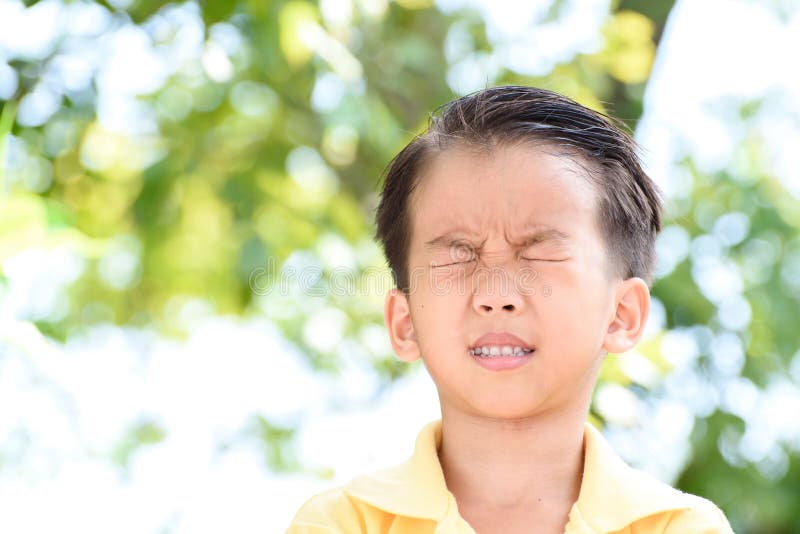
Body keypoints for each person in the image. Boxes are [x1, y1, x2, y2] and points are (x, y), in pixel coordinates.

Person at [286, 86, 734, 533]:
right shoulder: (342, 523)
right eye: (459, 254)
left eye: (539, 251)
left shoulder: (680, 527)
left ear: (621, 314)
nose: (496, 294)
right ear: (405, 323)